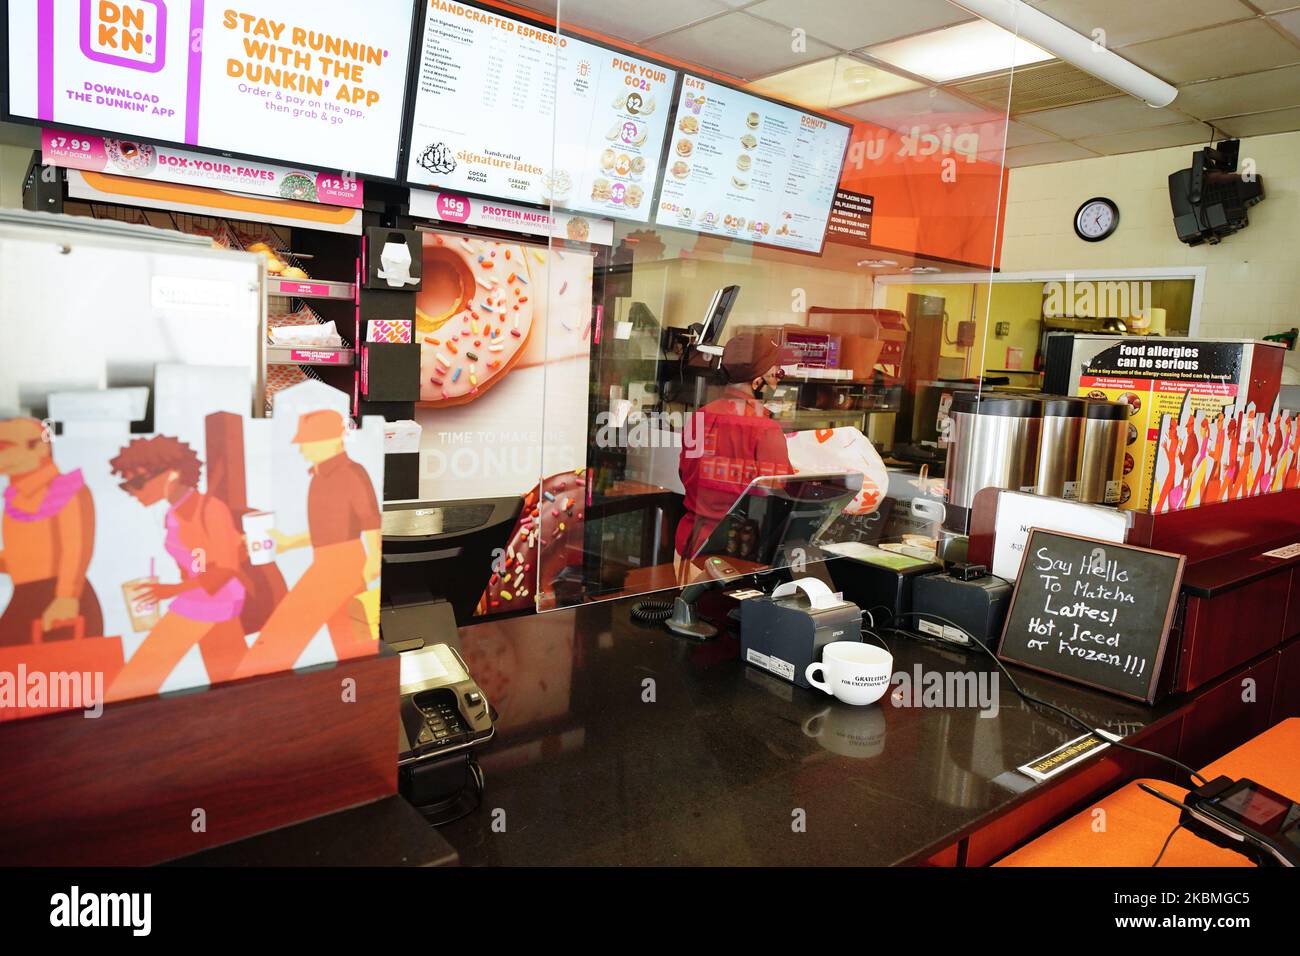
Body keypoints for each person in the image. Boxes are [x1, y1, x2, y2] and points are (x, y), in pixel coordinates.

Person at [237, 409, 381, 676]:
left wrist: (373, 559)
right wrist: (288, 543)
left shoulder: (351, 472)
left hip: (343, 564)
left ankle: (253, 684)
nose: (303, 450)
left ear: (333, 440)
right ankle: (359, 691)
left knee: (283, 634)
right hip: (330, 560)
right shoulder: (318, 476)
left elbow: (370, 521)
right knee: (352, 643)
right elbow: (328, 530)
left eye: (308, 442)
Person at [107, 435, 248, 698]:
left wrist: (173, 590)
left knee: (139, 676)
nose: (134, 492)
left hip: (214, 602)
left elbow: (226, 569)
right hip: (198, 599)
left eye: (138, 483)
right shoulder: (174, 514)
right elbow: (197, 564)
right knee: (234, 675)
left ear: (172, 474)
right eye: (128, 486)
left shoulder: (210, 509)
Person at [675, 332, 795, 581]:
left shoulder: (701, 416)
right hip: (736, 556)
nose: (778, 374)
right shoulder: (765, 427)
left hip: (689, 546)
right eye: (774, 368)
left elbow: (686, 473)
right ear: (757, 380)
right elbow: (780, 494)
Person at [0, 417, 101, 645]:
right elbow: (23, 559)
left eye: (3, 447)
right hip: (25, 597)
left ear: (40, 447)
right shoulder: (14, 499)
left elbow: (75, 548)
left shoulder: (65, 489)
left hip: (59, 599)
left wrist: (66, 598)